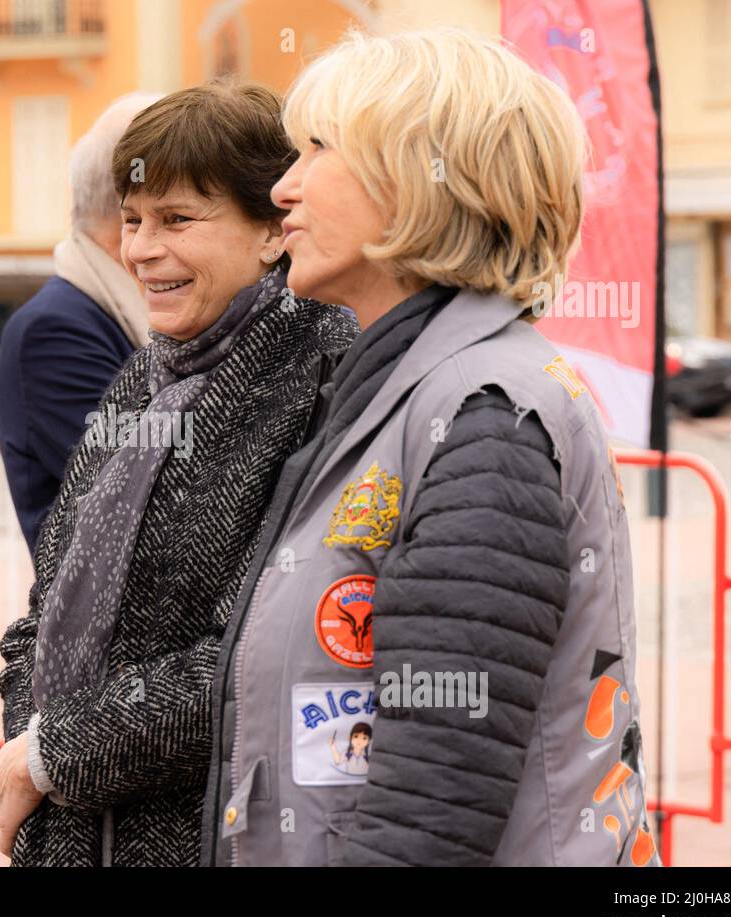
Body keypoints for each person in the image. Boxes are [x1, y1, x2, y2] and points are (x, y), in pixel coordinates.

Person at [202, 28, 661, 867]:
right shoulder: (400, 389)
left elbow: (434, 807)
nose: (283, 188)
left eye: (316, 150)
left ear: (416, 177)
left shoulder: (484, 415)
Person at [0, 81, 358, 866]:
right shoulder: (148, 374)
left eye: (177, 220)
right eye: (131, 221)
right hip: (78, 832)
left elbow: (271, 651)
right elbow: (45, 604)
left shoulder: (326, 374)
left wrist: (55, 754)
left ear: (270, 230)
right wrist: (30, 735)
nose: (141, 249)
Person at [0, 92, 161, 554]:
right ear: (132, 219)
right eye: (181, 213)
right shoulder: (52, 332)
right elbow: (144, 499)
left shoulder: (99, 313)